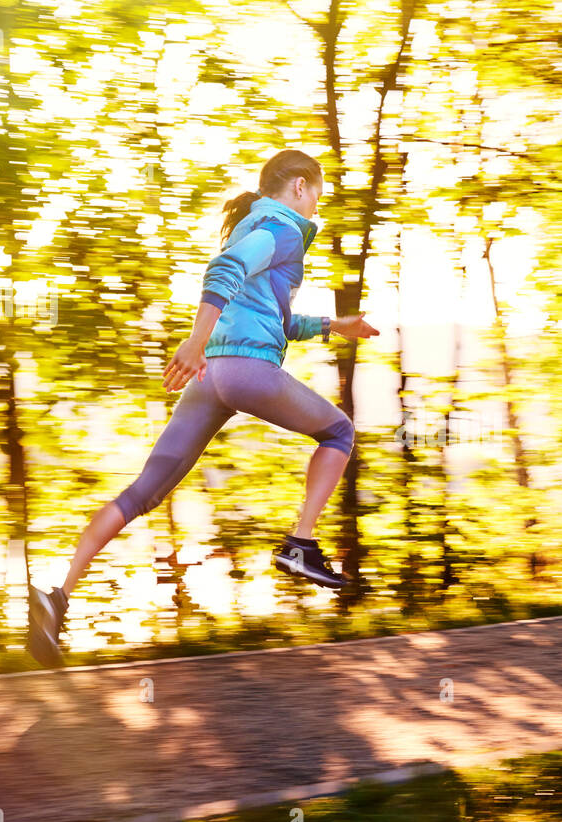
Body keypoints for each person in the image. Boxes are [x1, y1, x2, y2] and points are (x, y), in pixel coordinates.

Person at [26, 148, 378, 668]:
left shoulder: (252, 227)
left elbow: (274, 321)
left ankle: (58, 598)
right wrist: (194, 341)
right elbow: (226, 268)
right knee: (339, 432)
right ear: (300, 186)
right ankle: (300, 543)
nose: (315, 209)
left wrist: (332, 326)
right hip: (238, 370)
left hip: (212, 377)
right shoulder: (280, 227)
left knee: (143, 492)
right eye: (317, 195)